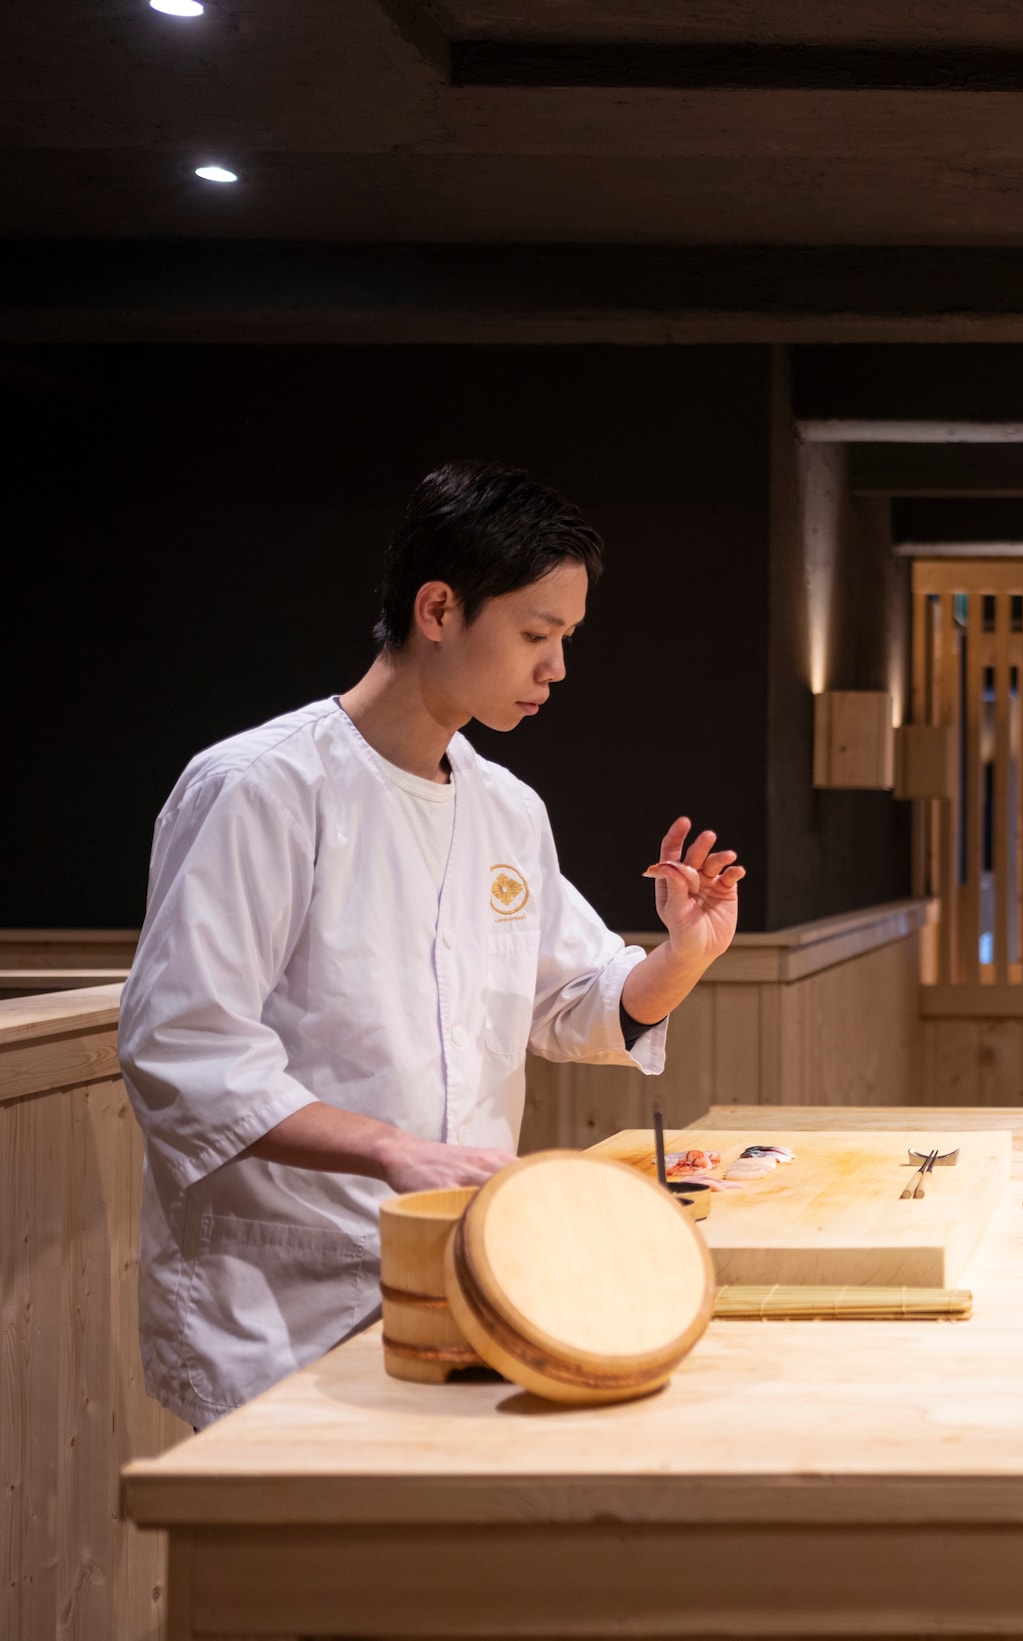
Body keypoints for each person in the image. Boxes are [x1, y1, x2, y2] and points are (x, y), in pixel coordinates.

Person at [118, 459, 745, 1427]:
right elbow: (184, 1050)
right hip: (279, 1302)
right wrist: (394, 1153)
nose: (557, 668)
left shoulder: (506, 808)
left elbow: (574, 1001)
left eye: (566, 639)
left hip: (467, 1275)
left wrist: (683, 956)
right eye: (536, 634)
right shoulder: (260, 788)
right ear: (439, 610)